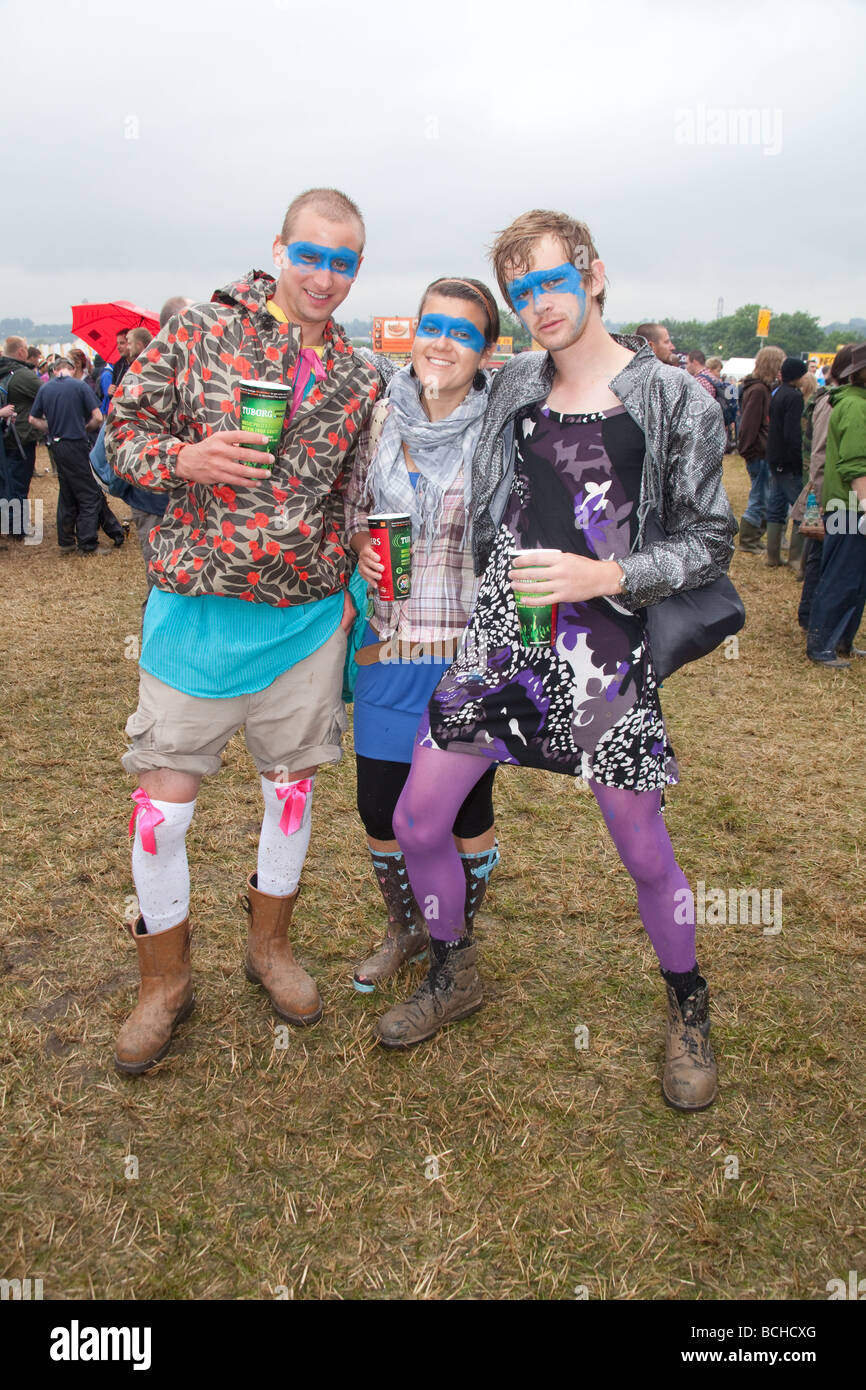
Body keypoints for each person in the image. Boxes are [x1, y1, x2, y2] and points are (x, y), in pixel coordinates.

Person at [377, 209, 735, 1114]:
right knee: (419, 820)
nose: (538, 303)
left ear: (594, 275)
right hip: (509, 628)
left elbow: (709, 539)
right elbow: (417, 384)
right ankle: (455, 969)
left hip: (606, 640)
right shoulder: (517, 385)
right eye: (521, 290)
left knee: (643, 848)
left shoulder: (673, 396)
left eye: (550, 281)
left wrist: (609, 571)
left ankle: (689, 1006)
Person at [105, 187, 381, 1075]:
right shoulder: (202, 335)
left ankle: (269, 950)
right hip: (196, 615)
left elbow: (357, 493)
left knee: (290, 799)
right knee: (162, 817)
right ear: (280, 249)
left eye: (344, 262)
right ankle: (164, 984)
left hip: (304, 624)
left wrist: (353, 577)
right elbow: (123, 434)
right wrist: (181, 458)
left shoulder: (359, 373)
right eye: (312, 255)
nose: (325, 276)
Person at [344, 277, 501, 992]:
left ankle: (454, 938)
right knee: (379, 804)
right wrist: (359, 545)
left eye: (464, 332)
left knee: (462, 808)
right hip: (390, 642)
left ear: (486, 351)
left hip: (468, 648)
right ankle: (405, 927)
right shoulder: (380, 417)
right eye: (434, 326)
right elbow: (351, 509)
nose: (444, 342)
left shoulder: (503, 428)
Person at [806, 341, 866, 668]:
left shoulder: (857, 402)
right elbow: (856, 464)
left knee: (856, 580)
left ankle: (842, 640)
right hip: (850, 508)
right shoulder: (856, 407)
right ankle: (821, 645)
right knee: (843, 577)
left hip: (851, 506)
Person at [792, 346, 854, 629]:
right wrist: (816, 497)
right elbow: (820, 452)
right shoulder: (833, 402)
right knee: (821, 559)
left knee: (820, 557)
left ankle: (812, 615)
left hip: (832, 492)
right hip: (829, 493)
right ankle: (811, 617)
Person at [28, 358, 108, 553]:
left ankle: (66, 541)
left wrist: (51, 429)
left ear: (55, 370)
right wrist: (86, 428)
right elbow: (98, 417)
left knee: (66, 492)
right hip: (76, 443)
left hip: (56, 445)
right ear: (72, 369)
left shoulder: (45, 388)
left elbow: (32, 419)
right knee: (88, 493)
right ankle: (87, 543)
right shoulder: (79, 386)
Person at [736, 345, 785, 552]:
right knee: (759, 497)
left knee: (761, 496)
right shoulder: (758, 390)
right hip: (759, 452)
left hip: (760, 451)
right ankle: (748, 540)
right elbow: (749, 425)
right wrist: (749, 450)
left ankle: (753, 538)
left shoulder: (759, 388)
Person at [765, 357, 807, 570]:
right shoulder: (795, 397)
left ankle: (772, 556)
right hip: (787, 461)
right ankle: (795, 558)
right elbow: (792, 433)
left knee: (776, 505)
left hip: (773, 458)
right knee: (800, 508)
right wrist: (797, 459)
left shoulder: (777, 393)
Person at [0, 336, 42, 539]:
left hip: (4, 436)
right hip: (20, 436)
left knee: (6, 481)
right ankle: (18, 527)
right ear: (20, 352)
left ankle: (9, 523)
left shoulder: (2, 371)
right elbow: (45, 393)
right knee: (19, 482)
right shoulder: (23, 374)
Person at [108, 332, 131, 399]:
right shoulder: (118, 365)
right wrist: (111, 391)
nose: (118, 347)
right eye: (117, 343)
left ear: (131, 343)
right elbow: (113, 392)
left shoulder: (140, 363)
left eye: (122, 343)